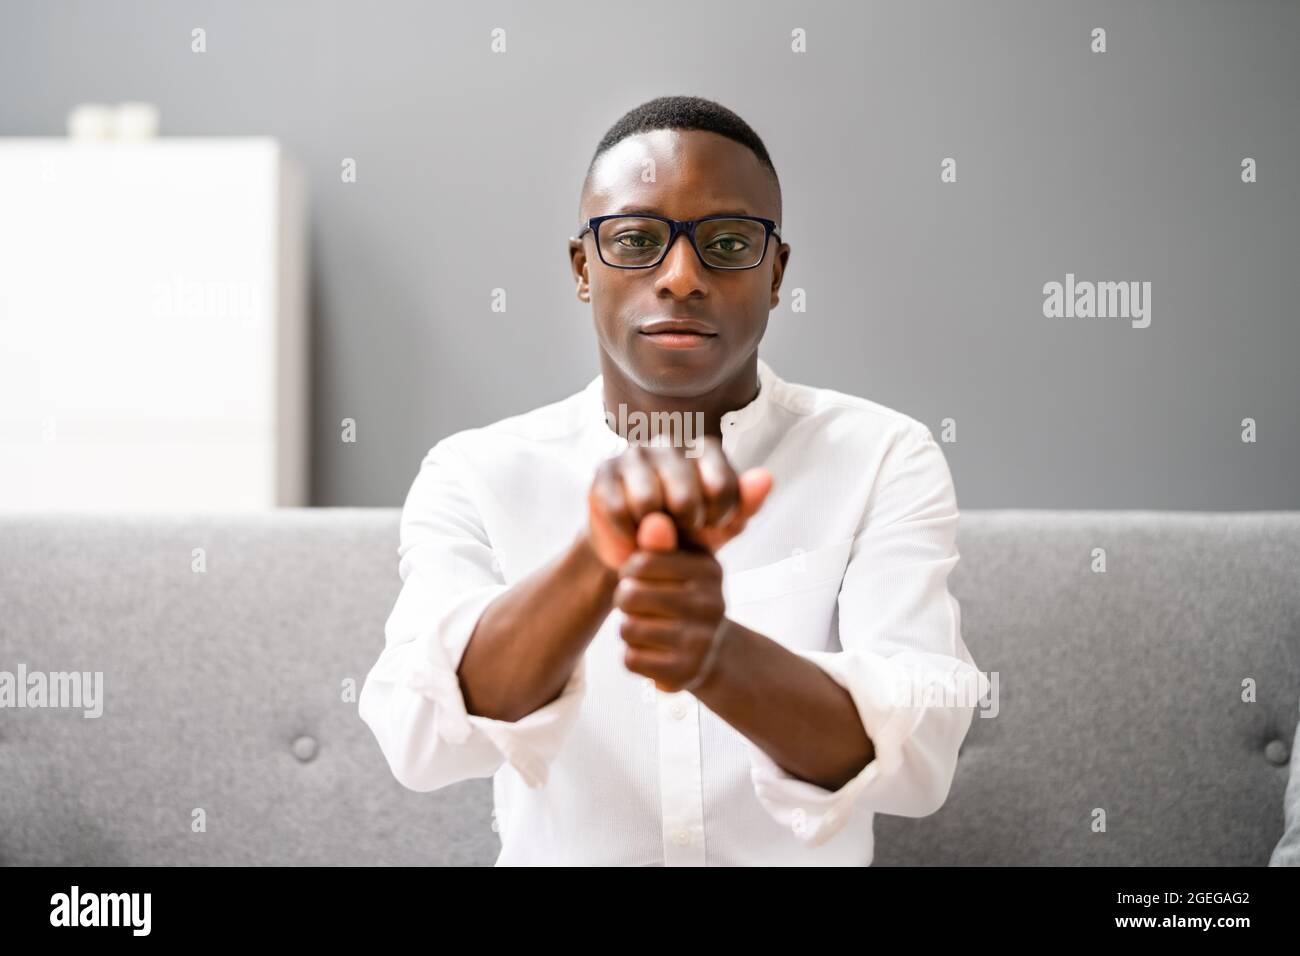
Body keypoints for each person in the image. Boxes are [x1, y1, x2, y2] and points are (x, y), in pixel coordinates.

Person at [359, 95, 984, 865]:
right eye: (635, 240)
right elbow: (421, 742)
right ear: (584, 269)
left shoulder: (883, 456)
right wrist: (598, 557)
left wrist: (714, 656)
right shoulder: (476, 474)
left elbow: (920, 761)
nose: (681, 277)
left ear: (777, 272)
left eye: (726, 241)